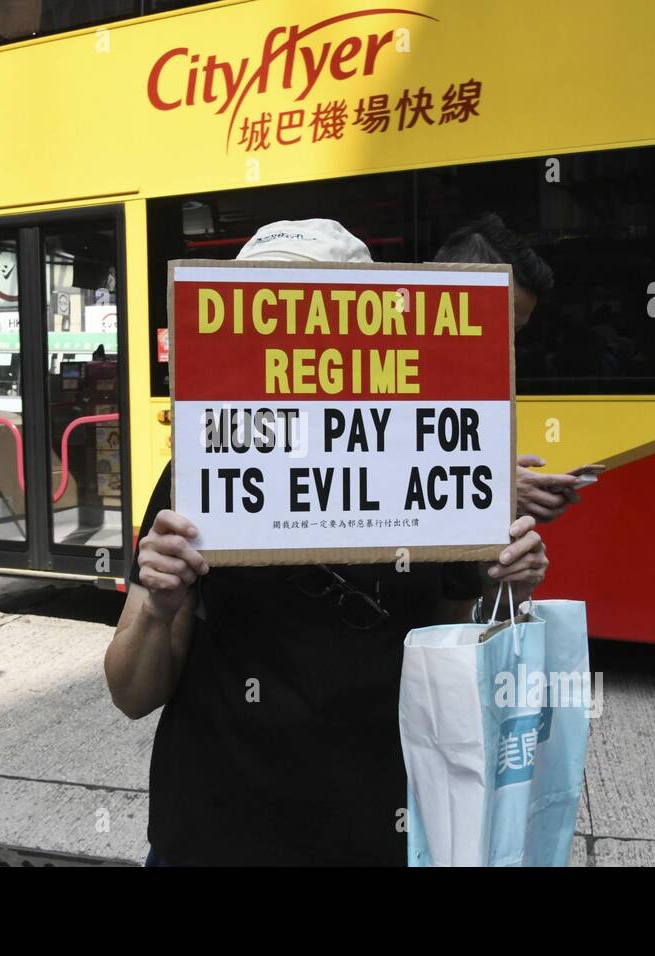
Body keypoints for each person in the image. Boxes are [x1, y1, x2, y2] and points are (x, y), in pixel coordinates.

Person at [104, 220, 550, 867]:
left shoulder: (435, 472)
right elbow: (131, 693)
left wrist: (501, 588)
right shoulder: (199, 478)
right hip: (213, 832)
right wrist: (160, 608)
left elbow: (452, 666)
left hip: (375, 832)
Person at [434, 213, 582, 524]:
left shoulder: (481, 391)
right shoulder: (376, 379)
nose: (507, 348)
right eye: (497, 328)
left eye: (515, 333)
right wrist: (492, 486)